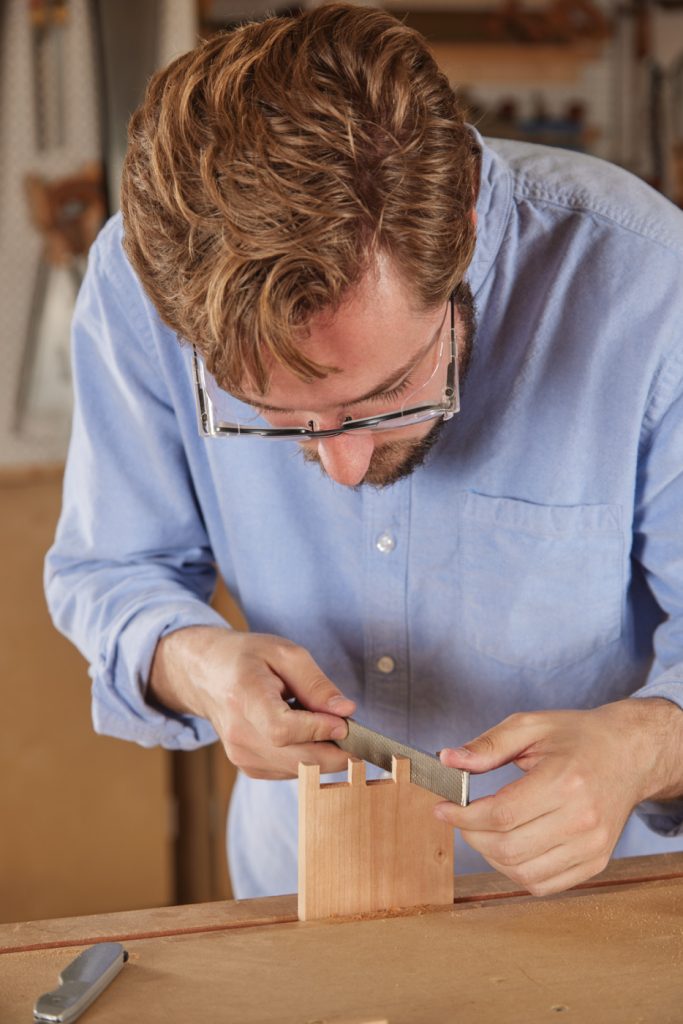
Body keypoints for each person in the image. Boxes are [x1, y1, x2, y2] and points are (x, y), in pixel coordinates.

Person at [45, 3, 683, 900]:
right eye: (276, 419)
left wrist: (643, 747)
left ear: (458, 226)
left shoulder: (651, 288)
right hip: (300, 889)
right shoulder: (136, 280)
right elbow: (111, 567)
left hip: (602, 905)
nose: (344, 470)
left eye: (384, 396)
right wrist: (201, 667)